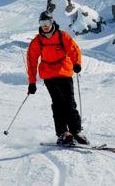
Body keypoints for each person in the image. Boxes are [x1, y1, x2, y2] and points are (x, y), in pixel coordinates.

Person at [26, 11, 88, 146]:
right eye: (42, 23)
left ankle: (76, 131)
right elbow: (31, 61)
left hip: (65, 73)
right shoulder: (38, 41)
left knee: (70, 102)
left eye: (47, 23)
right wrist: (32, 82)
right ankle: (63, 133)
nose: (45, 26)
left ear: (52, 22)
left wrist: (77, 63)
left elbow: (74, 50)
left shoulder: (62, 36)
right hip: (49, 75)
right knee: (59, 102)